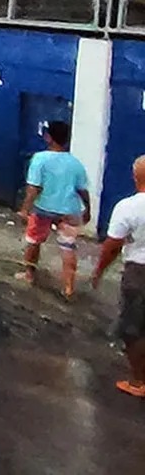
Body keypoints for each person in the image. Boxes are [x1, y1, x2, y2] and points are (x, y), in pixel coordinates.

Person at [16, 121, 90, 298]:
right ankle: (68, 287)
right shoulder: (76, 163)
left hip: (43, 209)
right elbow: (82, 190)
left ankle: (29, 274)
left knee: (33, 241)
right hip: (69, 211)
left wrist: (25, 210)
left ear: (48, 137)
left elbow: (34, 188)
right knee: (68, 247)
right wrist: (87, 210)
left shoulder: (40, 159)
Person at [92, 155, 145, 398]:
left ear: (136, 177)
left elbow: (112, 246)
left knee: (133, 328)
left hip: (139, 272)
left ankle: (138, 382)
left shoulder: (128, 207)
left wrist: (99, 271)